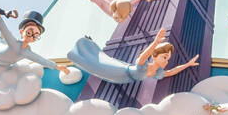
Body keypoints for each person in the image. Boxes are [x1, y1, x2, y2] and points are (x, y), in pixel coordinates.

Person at [68, 27, 198, 86]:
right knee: (96, 64)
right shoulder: (144, 64)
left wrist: (187, 64)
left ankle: (90, 46)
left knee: (100, 71)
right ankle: (84, 46)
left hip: (122, 79)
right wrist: (156, 41)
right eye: (164, 57)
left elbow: (171, 72)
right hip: (119, 70)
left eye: (167, 58)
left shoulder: (157, 72)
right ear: (155, 56)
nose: (166, 61)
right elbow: (145, 55)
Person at [0, 6, 72, 79]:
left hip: (4, 64)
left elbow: (40, 59)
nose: (32, 36)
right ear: (22, 31)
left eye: (36, 35)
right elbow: (5, 31)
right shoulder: (14, 43)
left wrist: (57, 66)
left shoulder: (27, 52)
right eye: (30, 32)